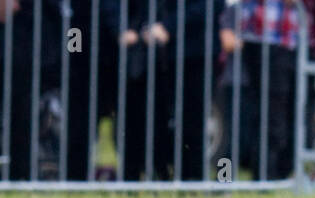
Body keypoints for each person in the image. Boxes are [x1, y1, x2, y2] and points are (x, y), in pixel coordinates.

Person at [106, 0, 223, 181]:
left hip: (195, 51)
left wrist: (169, 26)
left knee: (191, 122)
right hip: (153, 52)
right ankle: (156, 177)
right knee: (151, 121)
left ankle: (192, 182)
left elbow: (211, 5)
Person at [218, 1, 305, 180]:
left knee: (265, 127)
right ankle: (222, 181)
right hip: (235, 79)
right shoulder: (236, 10)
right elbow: (227, 37)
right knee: (233, 136)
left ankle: (264, 178)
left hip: (252, 74)